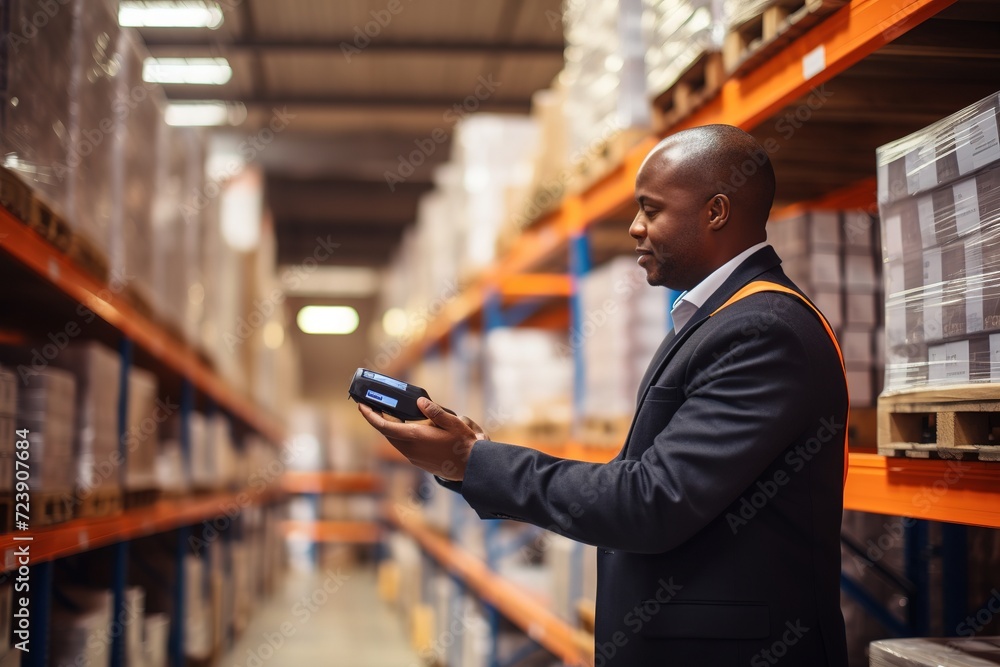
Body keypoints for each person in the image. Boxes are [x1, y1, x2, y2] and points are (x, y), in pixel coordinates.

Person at [359, 124, 849, 666]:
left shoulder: (764, 329)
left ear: (716, 211)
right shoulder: (720, 321)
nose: (636, 227)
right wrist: (471, 458)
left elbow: (652, 500)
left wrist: (473, 461)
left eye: (652, 209)